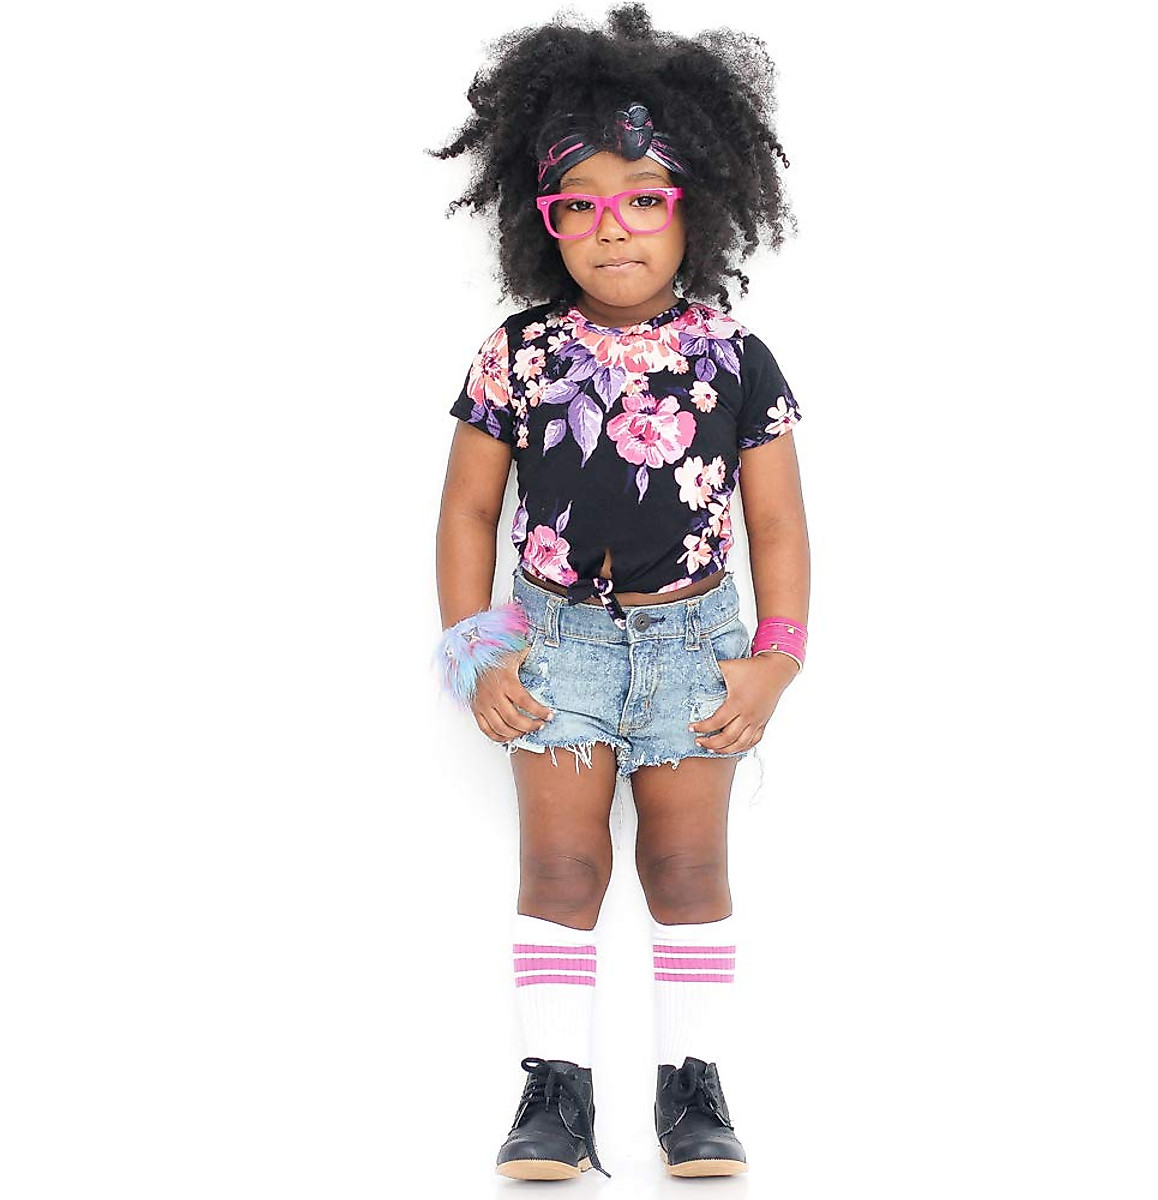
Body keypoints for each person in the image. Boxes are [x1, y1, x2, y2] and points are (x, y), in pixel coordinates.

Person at [427, 2, 810, 1181]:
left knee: (687, 869)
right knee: (563, 868)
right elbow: (469, 511)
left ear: (700, 205)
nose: (612, 229)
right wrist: (476, 650)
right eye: (579, 204)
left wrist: (777, 656)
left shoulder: (736, 359)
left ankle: (694, 1087)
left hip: (697, 650)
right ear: (540, 220)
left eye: (643, 198)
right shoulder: (518, 353)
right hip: (556, 650)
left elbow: (777, 521)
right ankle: (554, 1092)